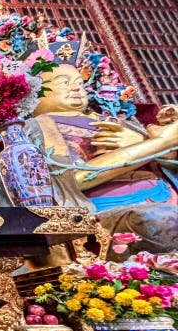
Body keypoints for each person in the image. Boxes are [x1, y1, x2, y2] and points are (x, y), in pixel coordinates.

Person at [26, 54, 178, 252]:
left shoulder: (120, 121)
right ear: (35, 92)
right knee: (162, 220)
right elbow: (72, 177)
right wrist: (159, 143)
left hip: (164, 194)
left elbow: (169, 160)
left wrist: (148, 141)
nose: (76, 88)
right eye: (64, 82)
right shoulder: (40, 125)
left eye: (80, 82)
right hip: (112, 210)